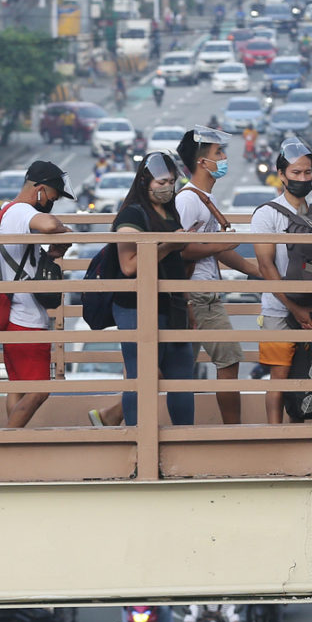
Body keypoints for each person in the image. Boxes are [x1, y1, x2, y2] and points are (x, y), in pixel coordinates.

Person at [88, 153, 198, 427]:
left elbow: (175, 266)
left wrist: (188, 305)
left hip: (172, 304)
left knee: (182, 375)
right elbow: (128, 266)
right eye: (161, 181)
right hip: (136, 305)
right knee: (142, 375)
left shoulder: (169, 210)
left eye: (172, 181)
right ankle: (138, 445)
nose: (168, 187)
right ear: (145, 181)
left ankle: (185, 443)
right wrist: (168, 246)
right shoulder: (132, 214)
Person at [175, 128, 260, 424]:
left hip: (203, 294)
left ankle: (110, 415)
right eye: (218, 154)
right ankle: (233, 431)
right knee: (230, 359)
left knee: (171, 365)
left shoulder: (203, 198)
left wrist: (255, 271)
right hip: (199, 295)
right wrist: (225, 242)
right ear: (202, 162)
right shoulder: (189, 200)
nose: (224, 158)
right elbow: (181, 249)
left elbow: (213, 249)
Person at [252, 136, 312, 422]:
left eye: (307, 172)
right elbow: (266, 266)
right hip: (278, 311)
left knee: (308, 376)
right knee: (280, 377)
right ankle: (274, 438)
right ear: (282, 175)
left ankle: (301, 436)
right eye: (296, 172)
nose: (302, 178)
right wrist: (295, 309)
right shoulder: (266, 215)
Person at [0, 160, 74, 428]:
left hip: (12, 316)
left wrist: (51, 254)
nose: (52, 203)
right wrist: (63, 230)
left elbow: (25, 259)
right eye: (52, 197)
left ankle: (12, 448)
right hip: (26, 318)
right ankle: (6, 443)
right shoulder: (20, 211)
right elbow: (51, 225)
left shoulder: (6, 212)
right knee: (40, 388)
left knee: (17, 388)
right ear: (40, 190)